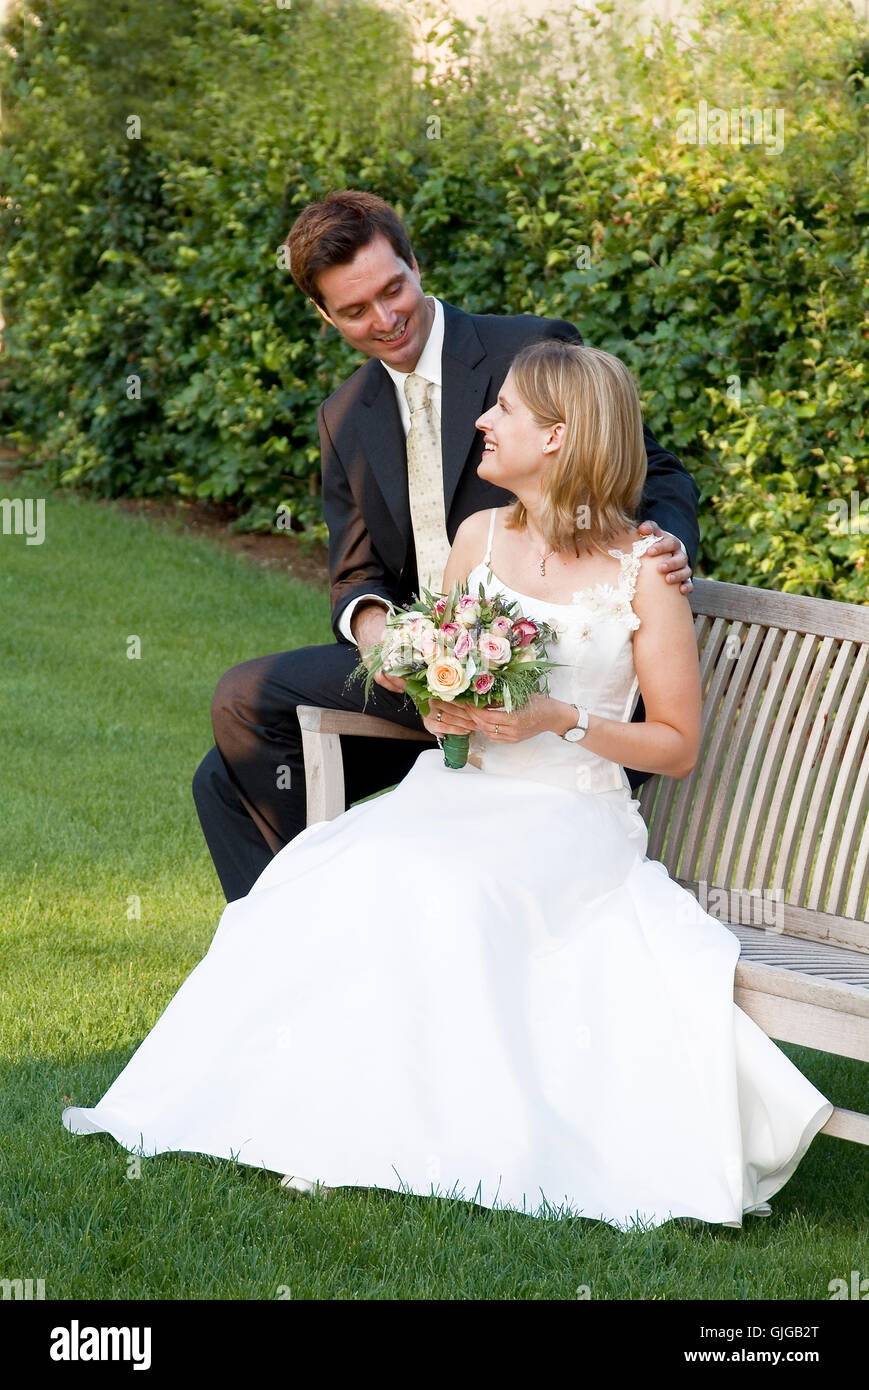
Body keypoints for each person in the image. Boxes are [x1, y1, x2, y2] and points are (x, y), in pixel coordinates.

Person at [63, 339, 833, 1232]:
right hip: (460, 790)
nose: (481, 420)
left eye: (502, 409)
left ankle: (416, 1133)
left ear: (556, 436)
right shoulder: (481, 536)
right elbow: (440, 682)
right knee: (342, 868)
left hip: (567, 812)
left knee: (445, 887)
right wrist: (445, 705)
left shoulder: (643, 573)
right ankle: (315, 1116)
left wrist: (560, 720)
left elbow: (676, 745)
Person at [191, 189, 700, 904]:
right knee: (223, 776)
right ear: (325, 315)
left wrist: (666, 540)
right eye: (354, 310)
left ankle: (309, 924)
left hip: (550, 686)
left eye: (392, 289)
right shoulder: (343, 416)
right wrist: (381, 642)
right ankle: (294, 939)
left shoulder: (525, 353)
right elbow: (357, 573)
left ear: (414, 263)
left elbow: (658, 468)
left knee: (245, 696)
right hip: (431, 679)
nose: (384, 318)